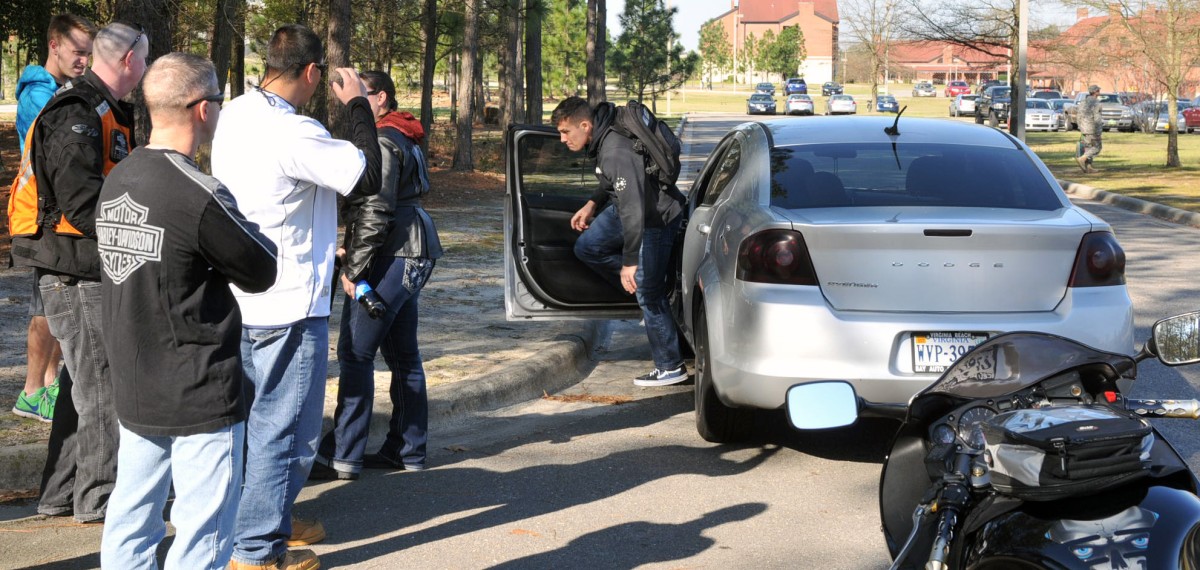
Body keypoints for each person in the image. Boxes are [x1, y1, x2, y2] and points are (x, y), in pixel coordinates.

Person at [97, 52, 278, 569]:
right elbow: (261, 268)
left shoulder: (120, 177)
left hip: (136, 381)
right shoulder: (198, 193)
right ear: (203, 110)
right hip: (198, 390)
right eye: (219, 101)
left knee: (129, 524)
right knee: (204, 536)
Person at [211, 24, 381, 570]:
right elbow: (367, 174)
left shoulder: (236, 111)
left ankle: (266, 519)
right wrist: (358, 106)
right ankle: (257, 551)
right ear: (311, 73)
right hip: (287, 303)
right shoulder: (294, 131)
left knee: (249, 427)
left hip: (239, 293)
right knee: (288, 434)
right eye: (319, 81)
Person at [9, 21, 147, 524]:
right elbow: (80, 200)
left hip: (83, 267)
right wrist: (136, 243)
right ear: (130, 60)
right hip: (74, 271)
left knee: (79, 386)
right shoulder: (78, 112)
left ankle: (61, 495)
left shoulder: (100, 108)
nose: (147, 71)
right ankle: (100, 502)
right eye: (145, 61)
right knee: (102, 389)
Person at [310, 71, 442, 481]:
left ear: (380, 98)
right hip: (412, 249)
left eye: (359, 95)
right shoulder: (404, 133)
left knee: (355, 353)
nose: (349, 102)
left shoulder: (385, 139)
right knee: (403, 355)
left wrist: (355, 267)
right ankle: (408, 450)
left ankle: (343, 455)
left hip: (393, 251)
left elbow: (377, 209)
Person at [551, 96, 688, 387]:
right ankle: (652, 291)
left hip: (655, 216)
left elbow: (635, 208)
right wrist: (591, 203)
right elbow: (613, 183)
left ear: (585, 125)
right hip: (629, 208)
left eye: (566, 132)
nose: (562, 139)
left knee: (649, 293)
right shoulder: (603, 136)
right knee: (588, 247)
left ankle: (671, 365)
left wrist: (630, 262)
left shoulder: (614, 149)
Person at [11, 13, 96, 424]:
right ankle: (32, 390)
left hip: (66, 213)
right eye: (78, 52)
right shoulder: (37, 95)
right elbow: (49, 150)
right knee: (45, 306)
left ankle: (50, 383)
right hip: (43, 217)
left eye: (89, 54)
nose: (84, 61)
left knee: (61, 304)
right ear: (54, 45)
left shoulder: (69, 89)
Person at [1077, 84, 1103, 173]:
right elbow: (1097, 119)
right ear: (1095, 92)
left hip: (1084, 129)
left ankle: (1089, 167)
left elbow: (1078, 116)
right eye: (1098, 91)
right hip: (1092, 129)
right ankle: (1082, 159)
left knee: (1088, 147)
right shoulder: (1096, 103)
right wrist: (1099, 132)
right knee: (1097, 147)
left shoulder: (1083, 102)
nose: (1099, 92)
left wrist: (1080, 127)